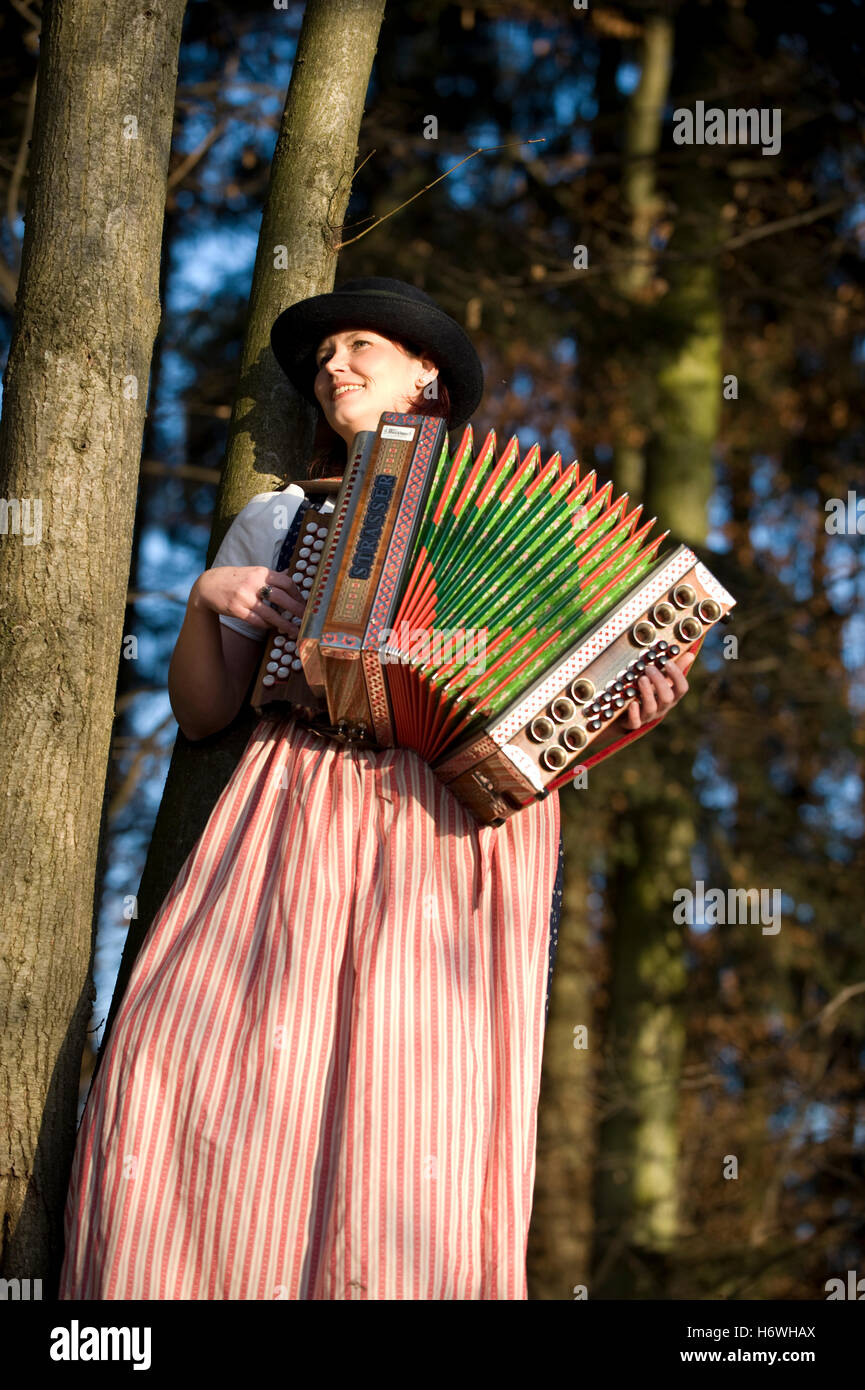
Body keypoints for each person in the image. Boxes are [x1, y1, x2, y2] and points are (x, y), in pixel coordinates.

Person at [59, 278, 693, 1300]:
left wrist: (638, 699)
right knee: (173, 1061)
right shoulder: (281, 517)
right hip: (293, 802)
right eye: (320, 362)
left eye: (359, 346)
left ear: (424, 372)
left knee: (411, 1099)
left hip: (452, 829)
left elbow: (556, 723)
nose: (333, 368)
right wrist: (207, 598)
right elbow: (202, 711)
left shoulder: (535, 521)